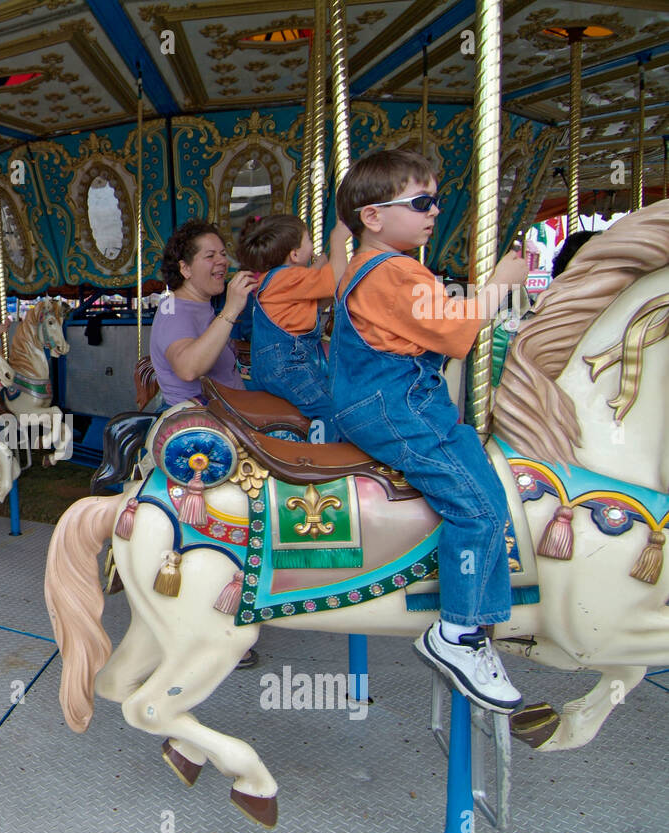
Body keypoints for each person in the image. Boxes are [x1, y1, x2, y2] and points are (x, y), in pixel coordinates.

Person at [331, 148, 528, 713]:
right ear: (373, 216)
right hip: (398, 406)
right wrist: (501, 283)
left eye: (435, 201)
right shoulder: (395, 271)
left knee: (469, 458)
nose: (435, 211)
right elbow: (454, 331)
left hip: (385, 403)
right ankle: (458, 633)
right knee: (479, 508)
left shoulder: (364, 268)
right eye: (421, 203)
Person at [237, 214, 351, 438]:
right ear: (295, 254)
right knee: (328, 407)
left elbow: (318, 287)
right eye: (308, 239)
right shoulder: (288, 278)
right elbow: (335, 281)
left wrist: (324, 260)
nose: (312, 245)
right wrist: (338, 240)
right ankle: (324, 452)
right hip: (287, 366)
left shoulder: (278, 278)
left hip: (278, 364)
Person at [149, 219, 259, 406]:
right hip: (203, 414)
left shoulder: (199, 305)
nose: (223, 261)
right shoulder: (173, 310)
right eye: (210, 256)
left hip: (227, 406)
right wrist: (231, 309)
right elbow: (188, 369)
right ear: (185, 268)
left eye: (223, 254)